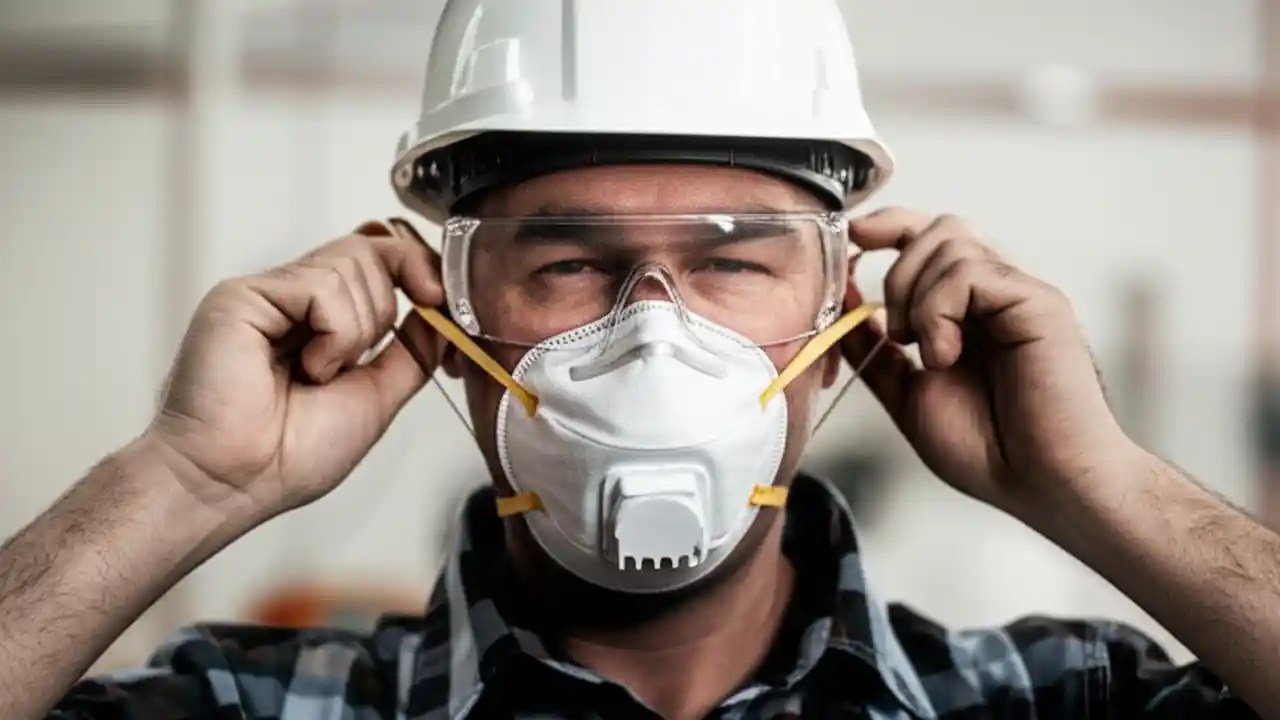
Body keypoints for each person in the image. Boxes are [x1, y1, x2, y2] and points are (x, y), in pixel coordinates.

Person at [2, 1, 1275, 718]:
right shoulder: (259, 709)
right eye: (563, 264)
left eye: (732, 261)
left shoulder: (1042, 704)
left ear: (841, 332)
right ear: (445, 334)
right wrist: (187, 480)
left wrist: (1095, 480)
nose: (655, 328)